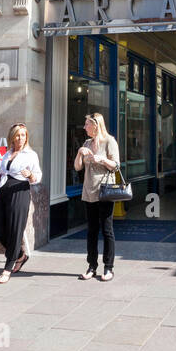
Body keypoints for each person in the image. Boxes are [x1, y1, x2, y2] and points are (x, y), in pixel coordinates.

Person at [0, 123, 42, 283]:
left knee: (14, 231)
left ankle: (8, 268)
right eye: (18, 135)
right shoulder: (8, 153)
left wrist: (30, 176)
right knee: (0, 231)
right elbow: (3, 172)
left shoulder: (30, 155)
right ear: (12, 136)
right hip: (3, 192)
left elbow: (38, 177)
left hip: (19, 193)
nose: (21, 138)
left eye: (24, 135)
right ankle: (20, 255)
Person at [74, 112, 120, 281]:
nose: (85, 127)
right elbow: (78, 168)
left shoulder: (109, 141)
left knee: (107, 230)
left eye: (87, 124)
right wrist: (80, 153)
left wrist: (101, 159)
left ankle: (109, 268)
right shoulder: (86, 143)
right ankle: (92, 266)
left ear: (95, 125)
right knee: (91, 230)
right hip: (89, 191)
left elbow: (116, 166)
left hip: (105, 191)